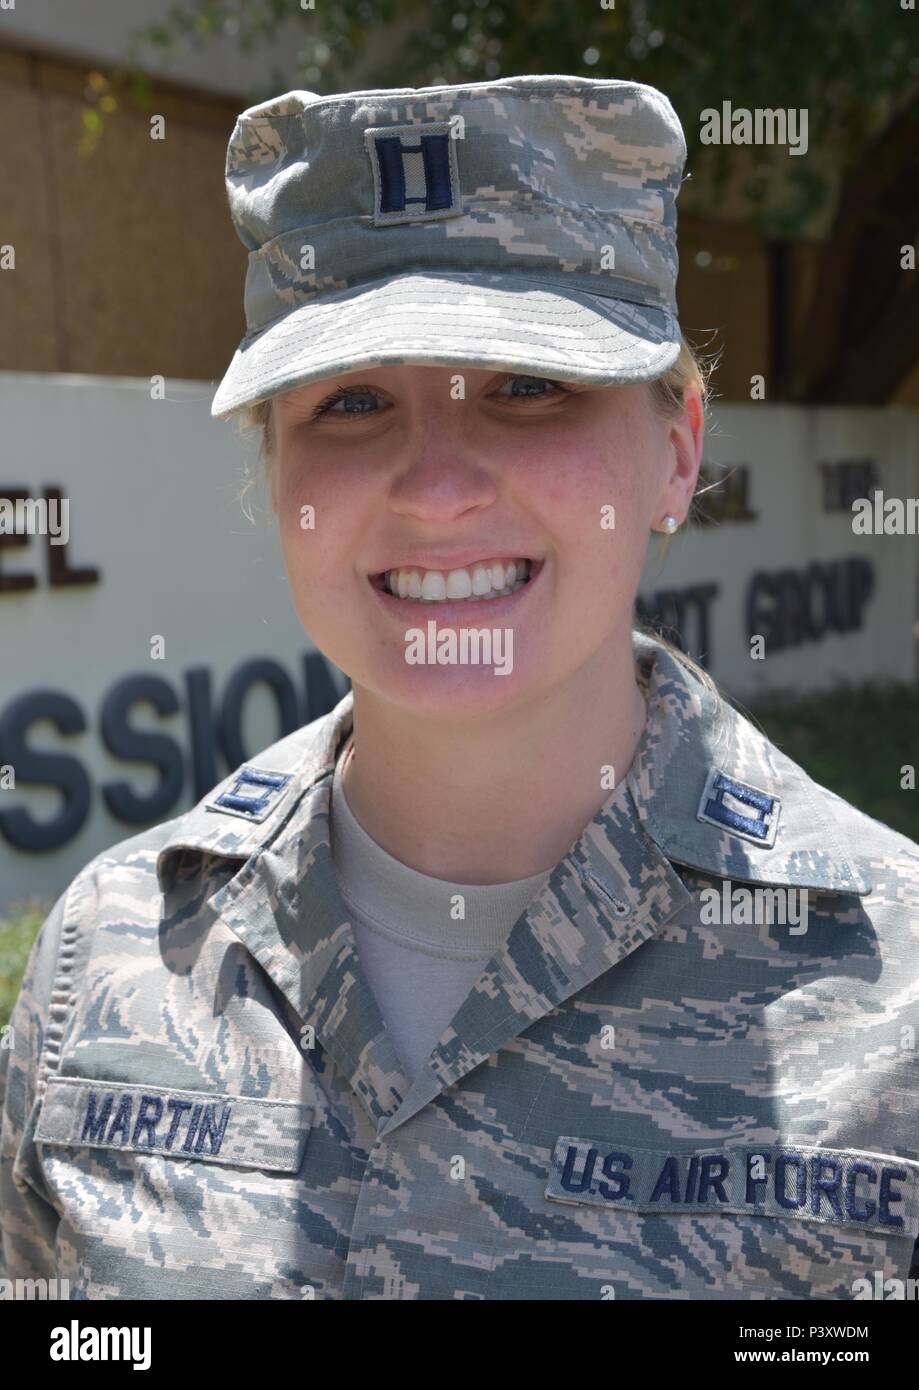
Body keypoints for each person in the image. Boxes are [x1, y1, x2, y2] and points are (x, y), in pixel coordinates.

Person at [2, 74, 917, 1302]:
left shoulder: (890, 982)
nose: (435, 491)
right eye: (354, 401)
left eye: (528, 386)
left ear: (679, 449)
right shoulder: (110, 956)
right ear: (276, 477)